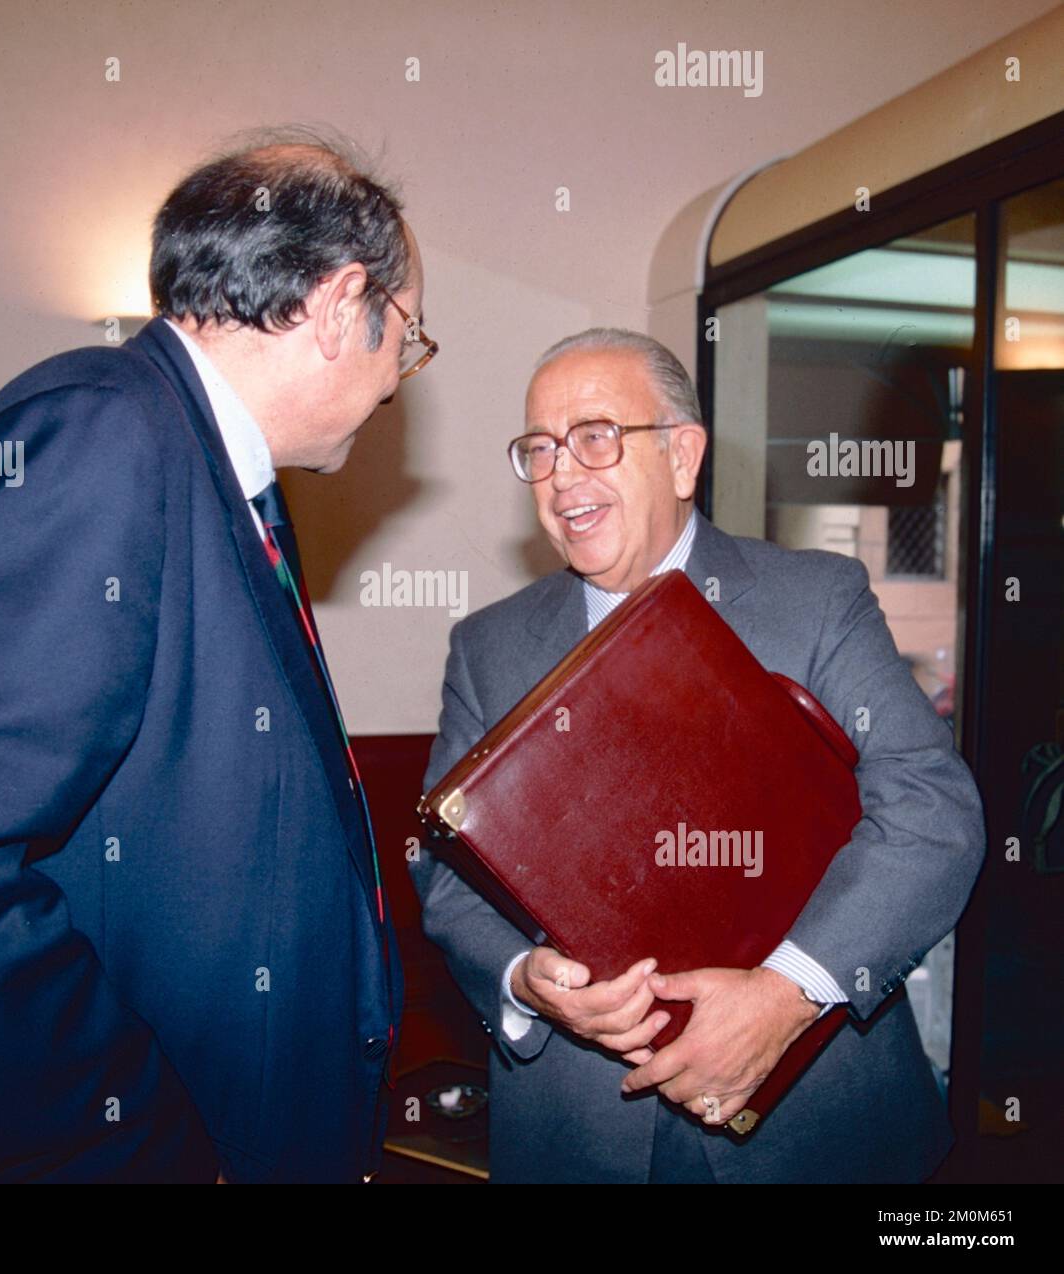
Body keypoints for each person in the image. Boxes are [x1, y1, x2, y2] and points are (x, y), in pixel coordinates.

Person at [0, 127, 434, 1183]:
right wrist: (132, 1144)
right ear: (337, 306)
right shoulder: (104, 432)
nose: (397, 380)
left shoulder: (207, 467)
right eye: (406, 335)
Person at [410, 328, 984, 1183]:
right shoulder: (487, 648)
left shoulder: (817, 601)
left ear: (683, 456)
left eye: (595, 436)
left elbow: (933, 813)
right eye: (540, 449)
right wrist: (526, 980)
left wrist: (787, 994)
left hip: (822, 1129)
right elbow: (448, 869)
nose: (563, 474)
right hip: (577, 1135)